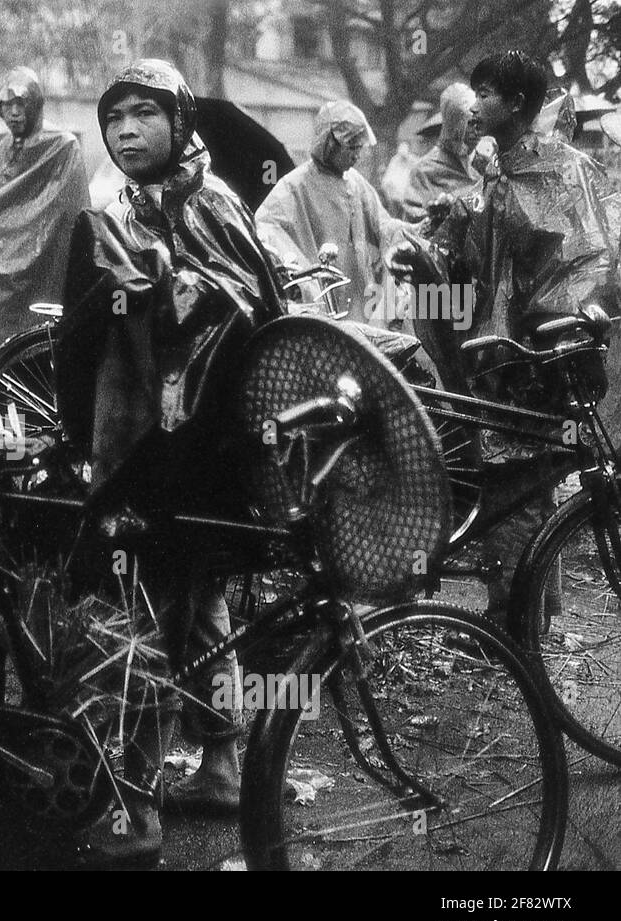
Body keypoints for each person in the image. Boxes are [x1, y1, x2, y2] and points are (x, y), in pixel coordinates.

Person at [58, 59, 286, 865]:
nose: (125, 132)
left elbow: (256, 307)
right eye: (113, 118)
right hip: (152, 436)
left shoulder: (213, 198)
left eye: (143, 115)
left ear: (180, 120)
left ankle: (137, 808)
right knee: (201, 602)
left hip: (197, 445)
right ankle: (222, 767)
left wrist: (169, 286)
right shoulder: (119, 205)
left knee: (147, 608)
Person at [388, 50, 621, 621]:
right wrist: (431, 249)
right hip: (501, 353)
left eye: (487, 93)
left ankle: (517, 621)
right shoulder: (498, 172)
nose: (476, 105)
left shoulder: (564, 170)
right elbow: (477, 259)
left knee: (516, 480)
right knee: (526, 479)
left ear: (517, 104)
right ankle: (539, 614)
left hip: (541, 351)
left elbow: (593, 256)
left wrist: (552, 326)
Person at [256, 100, 408, 327]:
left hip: (360, 293)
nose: (357, 156)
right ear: (329, 143)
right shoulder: (296, 185)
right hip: (322, 296)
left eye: (359, 148)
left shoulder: (355, 183)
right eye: (351, 148)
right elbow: (266, 226)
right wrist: (304, 276)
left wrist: (411, 232)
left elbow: (382, 224)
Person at [0, 66, 89, 351]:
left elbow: (64, 214)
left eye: (19, 104)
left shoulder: (62, 147)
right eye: (6, 105)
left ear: (34, 104)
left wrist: (16, 246)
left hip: (38, 256)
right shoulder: (3, 148)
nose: (13, 113)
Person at [401, 83, 480, 222]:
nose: (476, 131)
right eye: (470, 123)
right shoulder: (424, 172)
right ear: (454, 125)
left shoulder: (485, 165)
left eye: (479, 123)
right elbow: (415, 224)